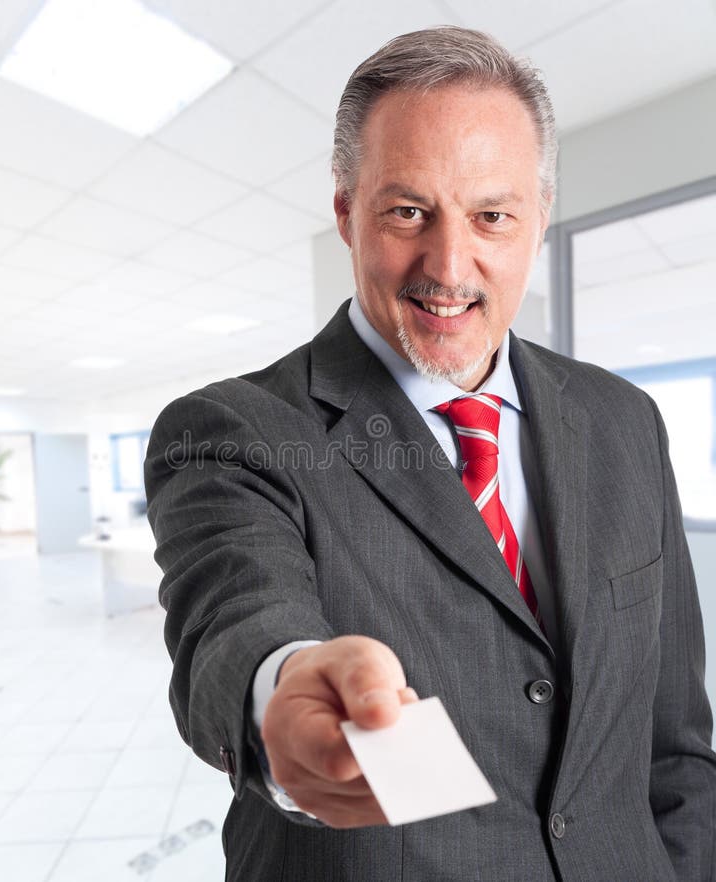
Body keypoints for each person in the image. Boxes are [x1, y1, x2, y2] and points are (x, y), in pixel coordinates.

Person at [145, 26, 716, 881]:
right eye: (408, 211)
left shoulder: (626, 420)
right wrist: (285, 692)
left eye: (492, 215)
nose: (450, 265)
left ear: (538, 219)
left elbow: (674, 743)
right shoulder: (235, 431)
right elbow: (236, 615)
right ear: (346, 212)